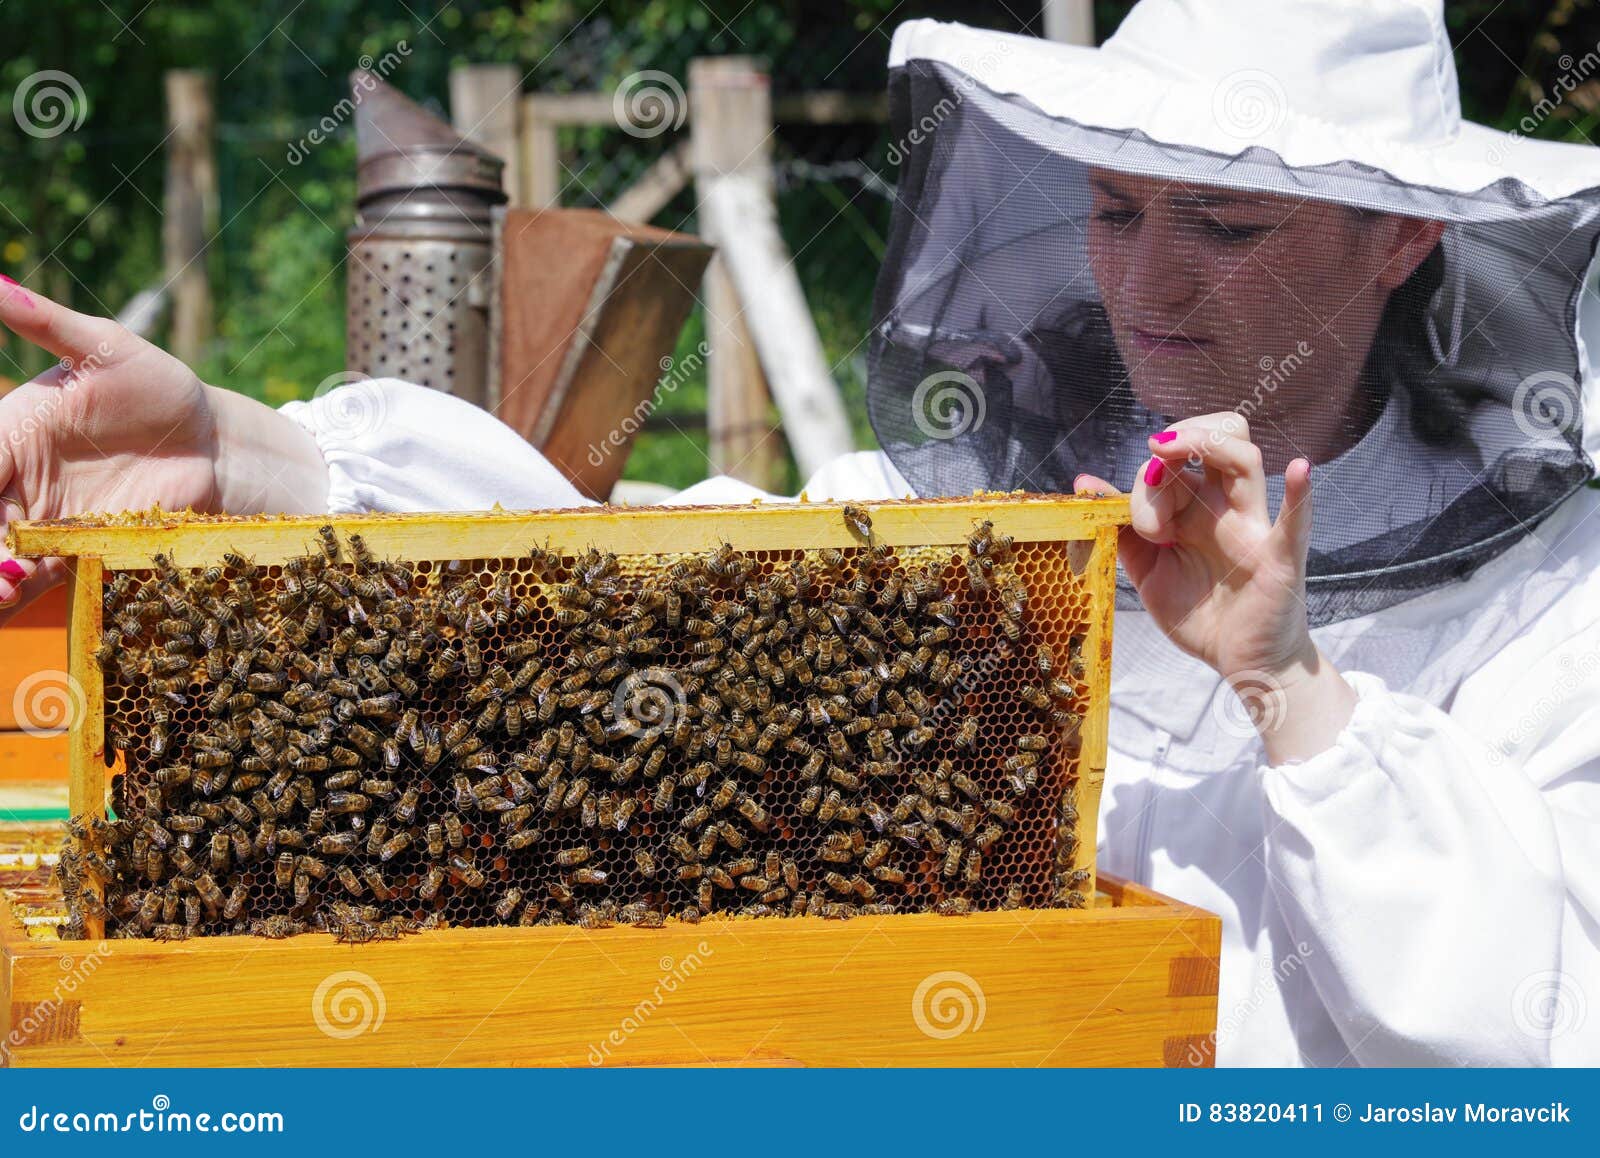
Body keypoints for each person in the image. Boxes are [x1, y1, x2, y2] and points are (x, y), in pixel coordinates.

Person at [2, 0, 1598, 1067]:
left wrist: (1295, 691)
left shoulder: (1551, 611)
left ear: (1405, 235)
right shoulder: (993, 513)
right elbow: (637, 573)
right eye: (1115, 209)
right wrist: (240, 447)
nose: (1150, 282)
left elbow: (1540, 1031)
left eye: (1227, 224)